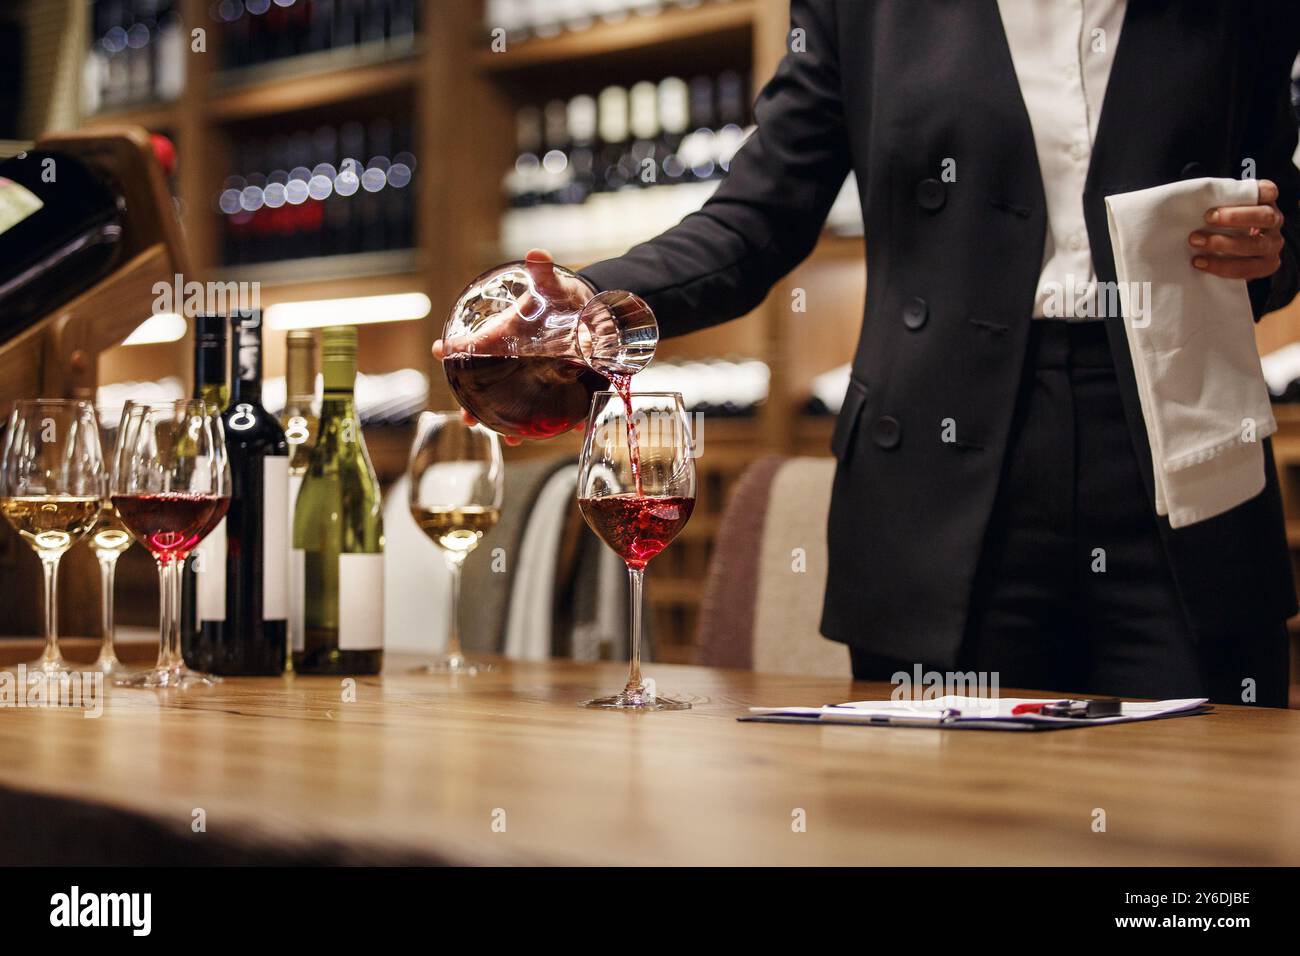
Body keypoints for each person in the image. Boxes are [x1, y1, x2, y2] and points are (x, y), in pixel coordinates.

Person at [436, 1, 1300, 706]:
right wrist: (590, 298)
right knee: (936, 821)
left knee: (1199, 825)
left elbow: (1279, 187)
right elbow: (756, 218)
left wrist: (1275, 247)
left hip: (1174, 456)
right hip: (938, 472)